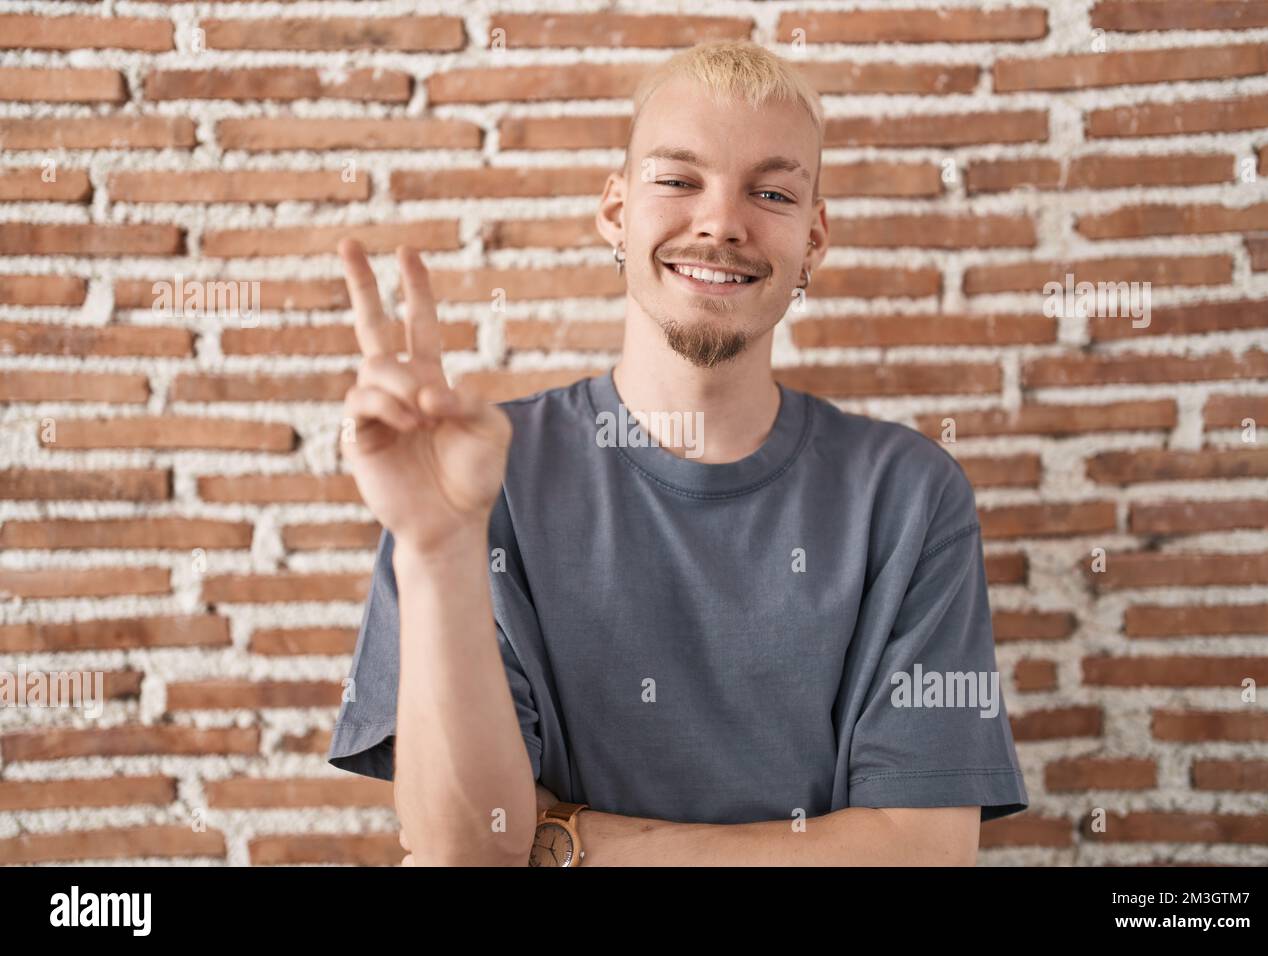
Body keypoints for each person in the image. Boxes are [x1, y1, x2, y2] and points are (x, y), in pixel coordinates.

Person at [327, 38, 1029, 866]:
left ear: (815, 237)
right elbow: (461, 847)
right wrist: (438, 547)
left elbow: (921, 852)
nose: (721, 222)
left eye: (771, 192)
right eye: (678, 179)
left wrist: (563, 838)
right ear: (616, 214)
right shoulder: (472, 478)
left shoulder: (909, 494)